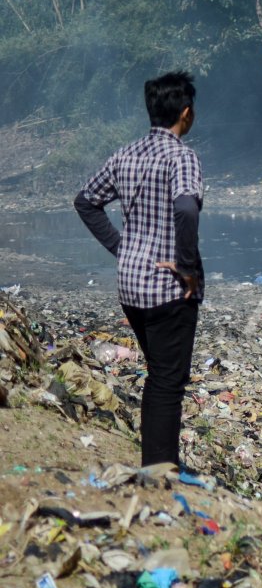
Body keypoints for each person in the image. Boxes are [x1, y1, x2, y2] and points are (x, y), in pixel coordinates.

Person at [74, 71, 204, 470]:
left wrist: (121, 247)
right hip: (167, 288)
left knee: (159, 373)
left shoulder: (125, 154)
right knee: (167, 381)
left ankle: (159, 464)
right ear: (185, 113)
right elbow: (185, 207)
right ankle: (160, 470)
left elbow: (86, 201)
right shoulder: (181, 156)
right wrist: (186, 266)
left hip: (131, 287)